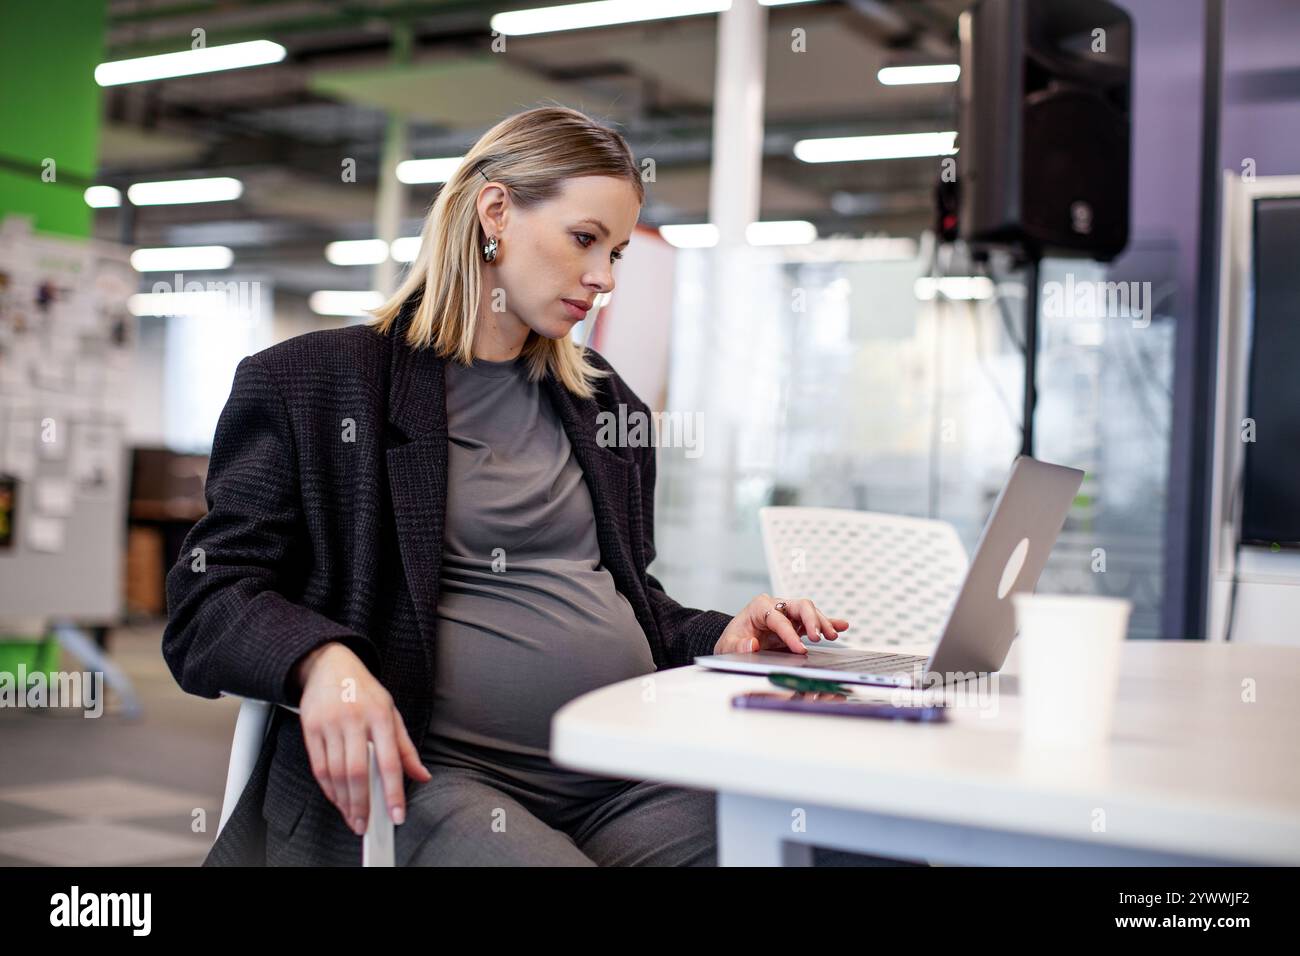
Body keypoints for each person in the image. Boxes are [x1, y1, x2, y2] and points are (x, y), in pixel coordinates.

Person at [163, 105, 854, 866]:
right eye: (585, 240)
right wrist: (324, 663)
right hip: (429, 779)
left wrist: (721, 635)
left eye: (617, 253)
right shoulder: (316, 385)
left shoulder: (605, 406)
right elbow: (209, 598)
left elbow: (630, 599)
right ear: (496, 210)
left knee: (836, 840)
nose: (603, 278)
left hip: (621, 777)